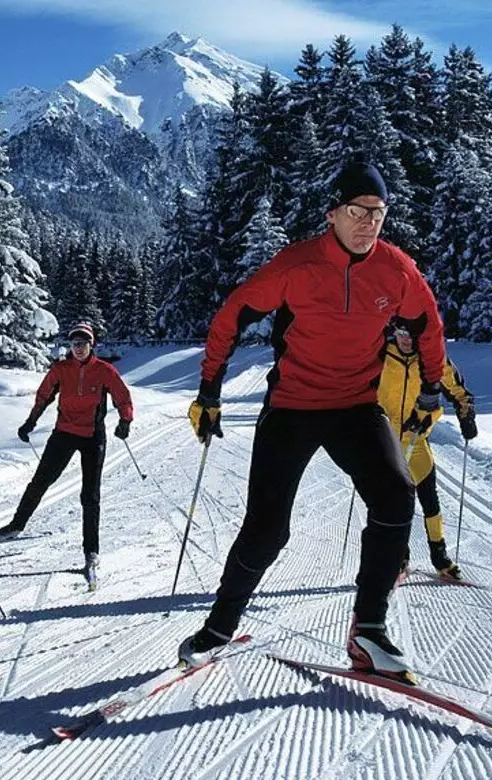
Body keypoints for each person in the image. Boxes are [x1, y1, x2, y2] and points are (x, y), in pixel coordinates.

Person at [178, 162, 446, 683]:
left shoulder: (396, 270)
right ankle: (218, 629)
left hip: (355, 406)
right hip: (293, 408)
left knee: (396, 495)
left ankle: (369, 630)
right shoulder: (297, 266)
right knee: (267, 530)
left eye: (378, 211)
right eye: (357, 210)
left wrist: (432, 387)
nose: (369, 221)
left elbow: (428, 324)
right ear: (333, 214)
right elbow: (231, 315)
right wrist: (209, 389)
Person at [0, 322, 134, 573]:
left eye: (83, 344)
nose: (78, 348)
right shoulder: (61, 369)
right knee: (40, 481)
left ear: (92, 345)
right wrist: (30, 422)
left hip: (93, 437)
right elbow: (44, 396)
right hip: (64, 433)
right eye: (74, 344)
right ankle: (17, 525)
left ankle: (91, 550)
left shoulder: (104, 370)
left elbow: (122, 396)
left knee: (90, 495)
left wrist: (125, 420)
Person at [379, 318, 477, 581]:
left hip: (416, 439)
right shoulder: (380, 354)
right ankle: (399, 557)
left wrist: (467, 416)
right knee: (390, 503)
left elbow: (459, 392)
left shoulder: (432, 359)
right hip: (384, 440)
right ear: (394, 333)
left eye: (411, 335)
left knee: (429, 501)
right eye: (401, 334)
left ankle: (441, 558)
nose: (406, 340)